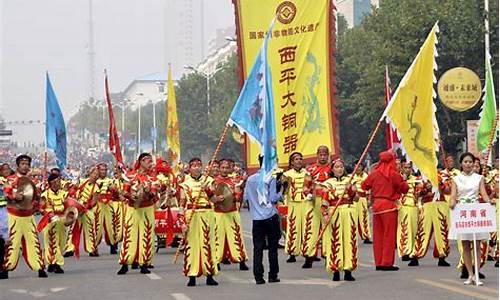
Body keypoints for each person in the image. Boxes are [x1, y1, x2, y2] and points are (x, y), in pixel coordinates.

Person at [449, 152, 492, 286]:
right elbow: (453, 195)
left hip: (475, 211)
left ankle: (477, 274)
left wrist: (489, 201)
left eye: (470, 162)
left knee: (477, 244)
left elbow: (483, 193)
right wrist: (452, 202)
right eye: (465, 162)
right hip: (463, 212)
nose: (468, 164)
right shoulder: (456, 179)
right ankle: (470, 274)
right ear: (461, 164)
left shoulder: (479, 178)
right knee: (466, 245)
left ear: (474, 164)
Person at [362, 151, 408, 271]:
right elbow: (404, 189)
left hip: (377, 206)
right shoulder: (393, 174)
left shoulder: (374, 173)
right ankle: (386, 262)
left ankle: (378, 261)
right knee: (389, 235)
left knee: (378, 236)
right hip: (389, 206)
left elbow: (364, 185)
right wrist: (404, 179)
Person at [2, 155, 47, 278]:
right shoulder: (10, 179)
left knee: (33, 241)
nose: (25, 166)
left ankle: (39, 267)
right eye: (22, 164)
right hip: (14, 216)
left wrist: (39, 200)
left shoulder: (34, 181)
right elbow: (6, 193)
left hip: (28, 216)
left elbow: (38, 198)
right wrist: (14, 195)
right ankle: (6, 268)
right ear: (18, 165)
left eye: (27, 164)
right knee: (13, 243)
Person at [178, 158, 219, 286]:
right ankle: (192, 275)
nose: (196, 168)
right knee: (192, 245)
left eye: (199, 165)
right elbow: (181, 205)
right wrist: (182, 223)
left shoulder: (209, 180)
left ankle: (210, 275)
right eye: (194, 166)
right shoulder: (184, 184)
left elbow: (215, 200)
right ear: (189, 168)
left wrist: (207, 190)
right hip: (192, 215)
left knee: (209, 243)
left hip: (207, 214)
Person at [117, 153, 158, 275]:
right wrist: (131, 196)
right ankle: (125, 263)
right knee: (129, 235)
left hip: (147, 209)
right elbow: (125, 192)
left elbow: (154, 196)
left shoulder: (153, 179)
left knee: (146, 235)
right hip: (132, 209)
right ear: (141, 162)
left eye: (151, 161)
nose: (150, 163)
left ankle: (144, 263)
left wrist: (147, 193)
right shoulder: (130, 176)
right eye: (148, 161)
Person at [244, 156, 282, 284]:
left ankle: (258, 276)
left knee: (258, 248)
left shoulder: (250, 179)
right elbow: (273, 199)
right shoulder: (270, 178)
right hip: (270, 216)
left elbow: (245, 197)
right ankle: (273, 275)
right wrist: (281, 190)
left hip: (256, 218)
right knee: (272, 247)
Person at [321, 158, 358, 281]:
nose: (340, 169)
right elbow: (324, 201)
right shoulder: (328, 183)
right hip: (334, 213)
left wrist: (351, 190)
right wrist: (325, 215)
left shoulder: (350, 180)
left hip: (348, 212)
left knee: (349, 240)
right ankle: (335, 270)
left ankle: (348, 270)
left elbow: (356, 199)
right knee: (335, 241)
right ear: (332, 169)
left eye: (341, 167)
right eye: (336, 167)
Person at [212, 159, 249, 270]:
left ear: (230, 169)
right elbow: (210, 197)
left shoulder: (234, 181)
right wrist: (216, 199)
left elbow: (238, 196)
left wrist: (235, 196)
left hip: (232, 212)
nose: (224, 170)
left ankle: (241, 260)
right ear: (219, 168)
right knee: (217, 238)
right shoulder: (213, 181)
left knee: (237, 236)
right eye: (222, 167)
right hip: (218, 213)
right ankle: (216, 261)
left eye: (227, 168)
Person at [283, 152, 316, 268]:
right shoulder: (286, 174)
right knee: (293, 227)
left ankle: (308, 255)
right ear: (291, 162)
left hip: (306, 202)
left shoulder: (308, 173)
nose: (299, 161)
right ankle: (292, 252)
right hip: (293, 203)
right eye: (296, 159)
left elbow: (313, 187)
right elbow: (284, 191)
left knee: (308, 227)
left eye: (300, 159)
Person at [306, 146, 331, 260]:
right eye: (320, 154)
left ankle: (327, 252)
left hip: (328, 201)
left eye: (324, 155)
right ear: (317, 155)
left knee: (327, 226)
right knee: (312, 227)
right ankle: (310, 254)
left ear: (328, 155)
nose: (322, 157)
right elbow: (305, 187)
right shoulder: (310, 169)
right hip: (314, 201)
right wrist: (308, 195)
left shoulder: (332, 169)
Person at [397, 161, 420, 261]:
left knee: (414, 230)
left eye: (409, 167)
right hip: (402, 207)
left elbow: (419, 194)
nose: (407, 169)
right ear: (401, 168)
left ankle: (413, 252)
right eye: (405, 167)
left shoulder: (416, 180)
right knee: (404, 229)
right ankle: (404, 252)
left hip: (414, 207)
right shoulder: (397, 178)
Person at [352, 163, 372, 244]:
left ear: (362, 167)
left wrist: (369, 199)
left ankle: (366, 236)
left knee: (364, 217)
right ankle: (352, 236)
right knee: (353, 218)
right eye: (355, 166)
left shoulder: (366, 176)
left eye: (359, 166)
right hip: (354, 199)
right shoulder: (351, 176)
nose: (357, 168)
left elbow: (369, 189)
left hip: (363, 199)